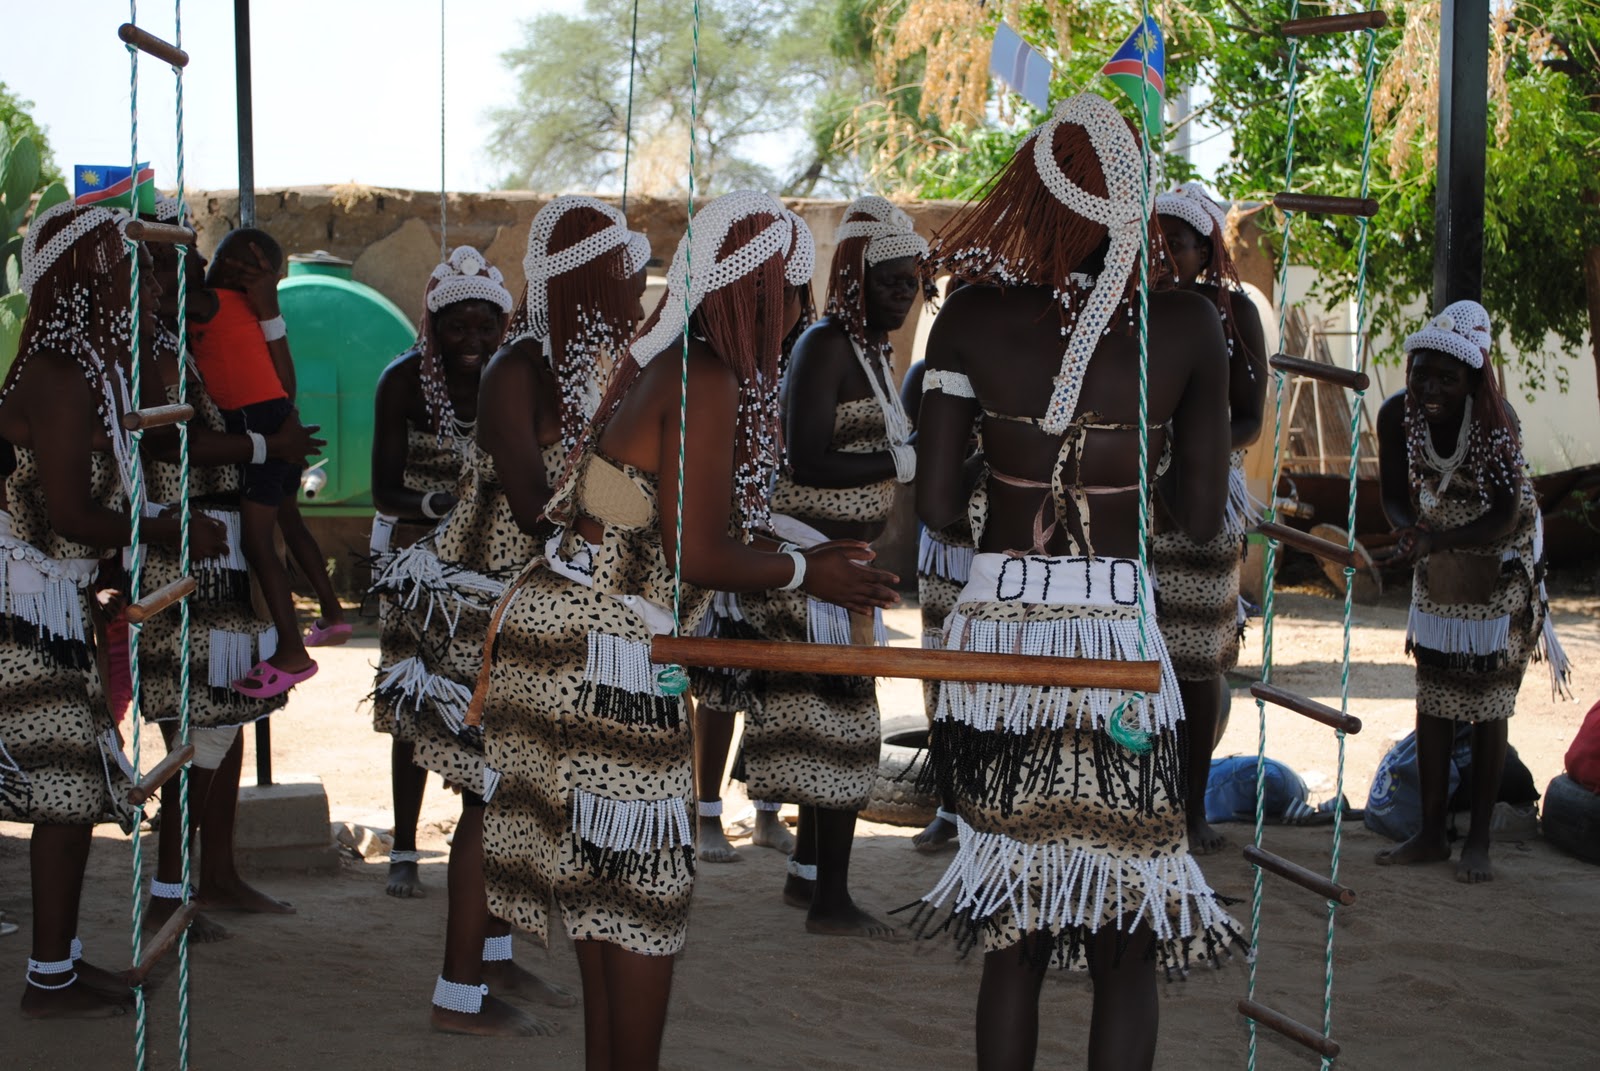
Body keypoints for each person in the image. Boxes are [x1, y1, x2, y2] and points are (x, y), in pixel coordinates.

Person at [474, 191, 898, 1071]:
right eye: (787, 293)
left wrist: (800, 547)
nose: (798, 314)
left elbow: (688, 527)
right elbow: (700, 552)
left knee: (611, 896)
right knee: (642, 900)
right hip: (602, 650)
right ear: (747, 292)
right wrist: (804, 570)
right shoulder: (699, 377)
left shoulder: (678, 365)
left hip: (583, 636)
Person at [910, 94, 1242, 1071]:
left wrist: (1014, 461)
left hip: (997, 632)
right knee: (1124, 931)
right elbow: (1193, 511)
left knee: (1011, 921)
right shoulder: (1183, 329)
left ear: (1030, 192)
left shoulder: (968, 318)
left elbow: (932, 506)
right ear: (1132, 202)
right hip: (1115, 639)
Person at [0, 203, 225, 1017]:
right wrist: (171, 526)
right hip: (23, 605)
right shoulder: (61, 370)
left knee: (73, 790)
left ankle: (53, 969)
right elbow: (66, 512)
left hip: (52, 601)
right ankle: (49, 977)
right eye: (119, 267)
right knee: (63, 793)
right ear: (79, 275)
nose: (144, 287)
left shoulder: (86, 365)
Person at [725, 195, 924, 936]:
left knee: (830, 724)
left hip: (842, 558)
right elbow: (805, 454)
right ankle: (831, 901)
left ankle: (810, 878)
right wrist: (900, 457)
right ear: (856, 279)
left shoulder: (867, 350)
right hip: (809, 559)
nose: (905, 296)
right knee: (841, 726)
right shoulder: (825, 345)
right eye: (892, 282)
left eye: (913, 284)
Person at [137, 204, 319, 939]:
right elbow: (165, 445)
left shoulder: (198, 332)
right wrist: (262, 443)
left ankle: (216, 874)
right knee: (196, 730)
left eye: (186, 256)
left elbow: (272, 397)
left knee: (231, 719)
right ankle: (168, 890)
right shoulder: (151, 345)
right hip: (189, 545)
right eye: (161, 262)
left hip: (226, 545)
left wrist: (266, 442)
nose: (178, 274)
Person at [1373, 300, 1566, 883]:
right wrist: (1412, 532)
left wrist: (1434, 541)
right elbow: (1393, 495)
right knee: (1433, 691)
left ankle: (1477, 840)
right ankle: (1432, 833)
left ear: (1473, 379)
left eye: (1446, 377)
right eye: (1421, 374)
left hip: (1501, 559)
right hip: (1440, 547)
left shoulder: (1494, 422)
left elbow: (1507, 514)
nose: (1430, 387)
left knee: (1486, 701)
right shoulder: (1396, 416)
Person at [367, 246, 497, 899]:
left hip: (488, 571)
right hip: (418, 567)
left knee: (484, 707)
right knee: (413, 703)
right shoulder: (404, 381)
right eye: (458, 326)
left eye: (485, 326)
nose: (472, 340)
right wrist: (438, 506)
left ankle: (481, 839)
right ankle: (405, 846)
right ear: (435, 324)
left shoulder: (513, 380)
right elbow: (383, 489)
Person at [688, 209, 816, 865]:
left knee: (767, 677)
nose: (785, 309)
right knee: (718, 678)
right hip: (716, 555)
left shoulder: (774, 367)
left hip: (762, 540)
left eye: (791, 295)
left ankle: (767, 808)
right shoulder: (708, 369)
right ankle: (704, 811)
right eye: (767, 294)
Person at [1151, 182, 1268, 854]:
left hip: (1203, 497)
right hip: (1137, 495)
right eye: (1158, 241)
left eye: (1180, 242)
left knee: (1196, 657)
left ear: (1206, 249)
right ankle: (1146, 799)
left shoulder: (1234, 312)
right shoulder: (1136, 308)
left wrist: (1191, 454)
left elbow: (1249, 416)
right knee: (1143, 651)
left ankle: (1190, 809)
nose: (1166, 254)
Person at [187, 228, 347, 698]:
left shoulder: (208, 301)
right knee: (290, 520)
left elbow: (160, 304)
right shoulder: (250, 311)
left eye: (241, 267)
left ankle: (293, 651)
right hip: (278, 412)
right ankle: (334, 613)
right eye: (223, 259)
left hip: (258, 422)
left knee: (258, 542)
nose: (224, 269)